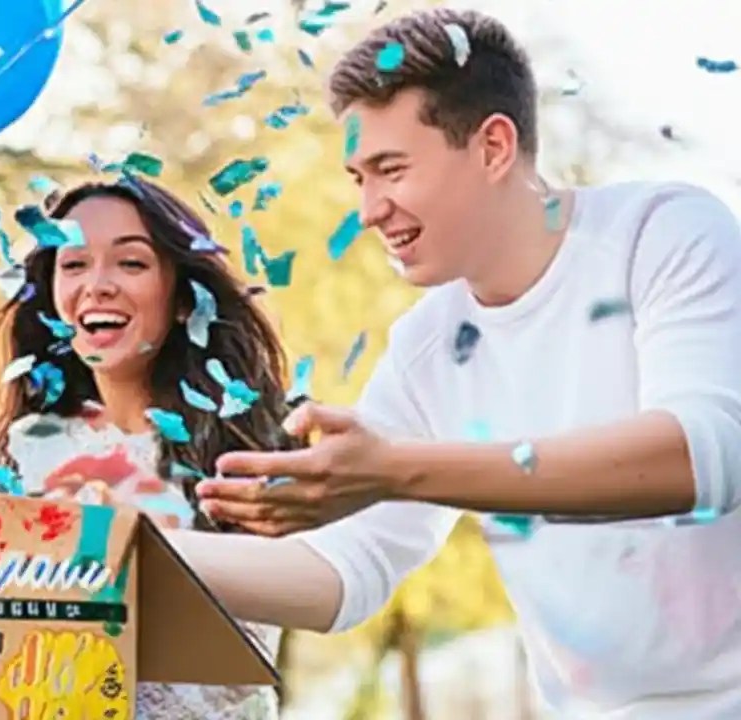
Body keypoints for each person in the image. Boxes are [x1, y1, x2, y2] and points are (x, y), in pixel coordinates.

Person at [166, 7, 741, 718]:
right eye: (357, 179)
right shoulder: (428, 346)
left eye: (392, 169)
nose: (371, 209)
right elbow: (346, 570)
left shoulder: (663, 233)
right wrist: (125, 554)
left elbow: (701, 457)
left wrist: (398, 471)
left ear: (494, 146)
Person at [0, 175, 305, 719]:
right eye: (73, 265)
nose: (98, 285)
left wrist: (130, 554)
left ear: (187, 299)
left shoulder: (240, 448)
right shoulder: (17, 447)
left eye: (131, 263)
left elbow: (251, 651)